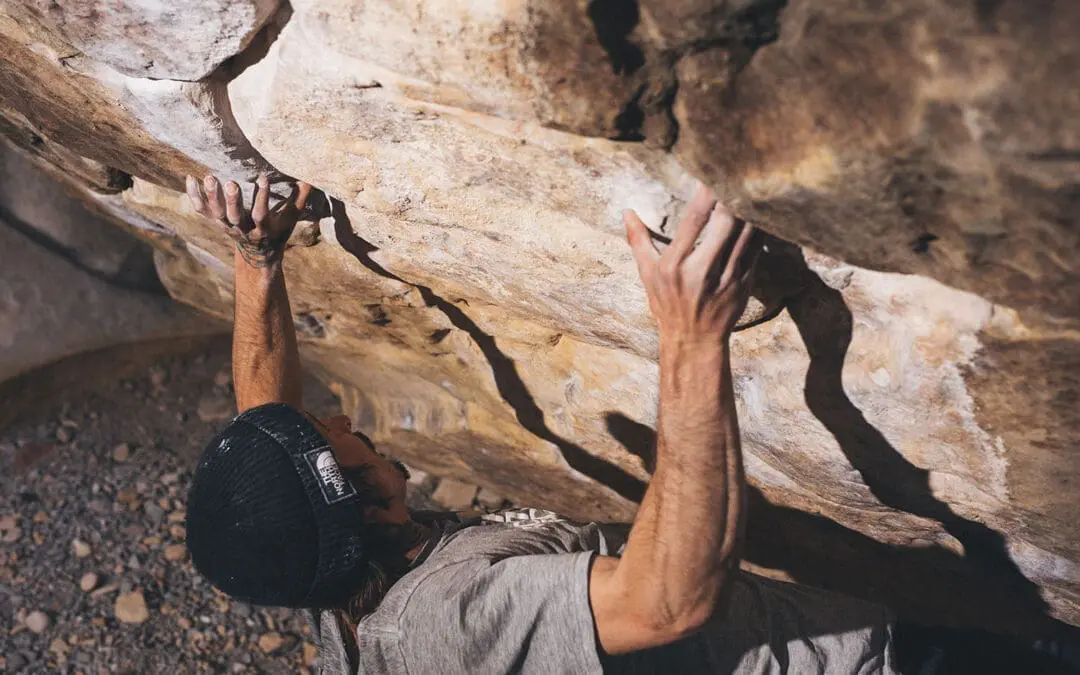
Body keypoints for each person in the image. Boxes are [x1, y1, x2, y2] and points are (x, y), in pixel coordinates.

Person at [183, 172, 898, 674]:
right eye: (327, 434)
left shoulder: (324, 564)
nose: (337, 417)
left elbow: (265, 422)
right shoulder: (445, 624)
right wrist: (691, 336)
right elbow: (664, 603)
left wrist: (256, 259)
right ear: (363, 499)